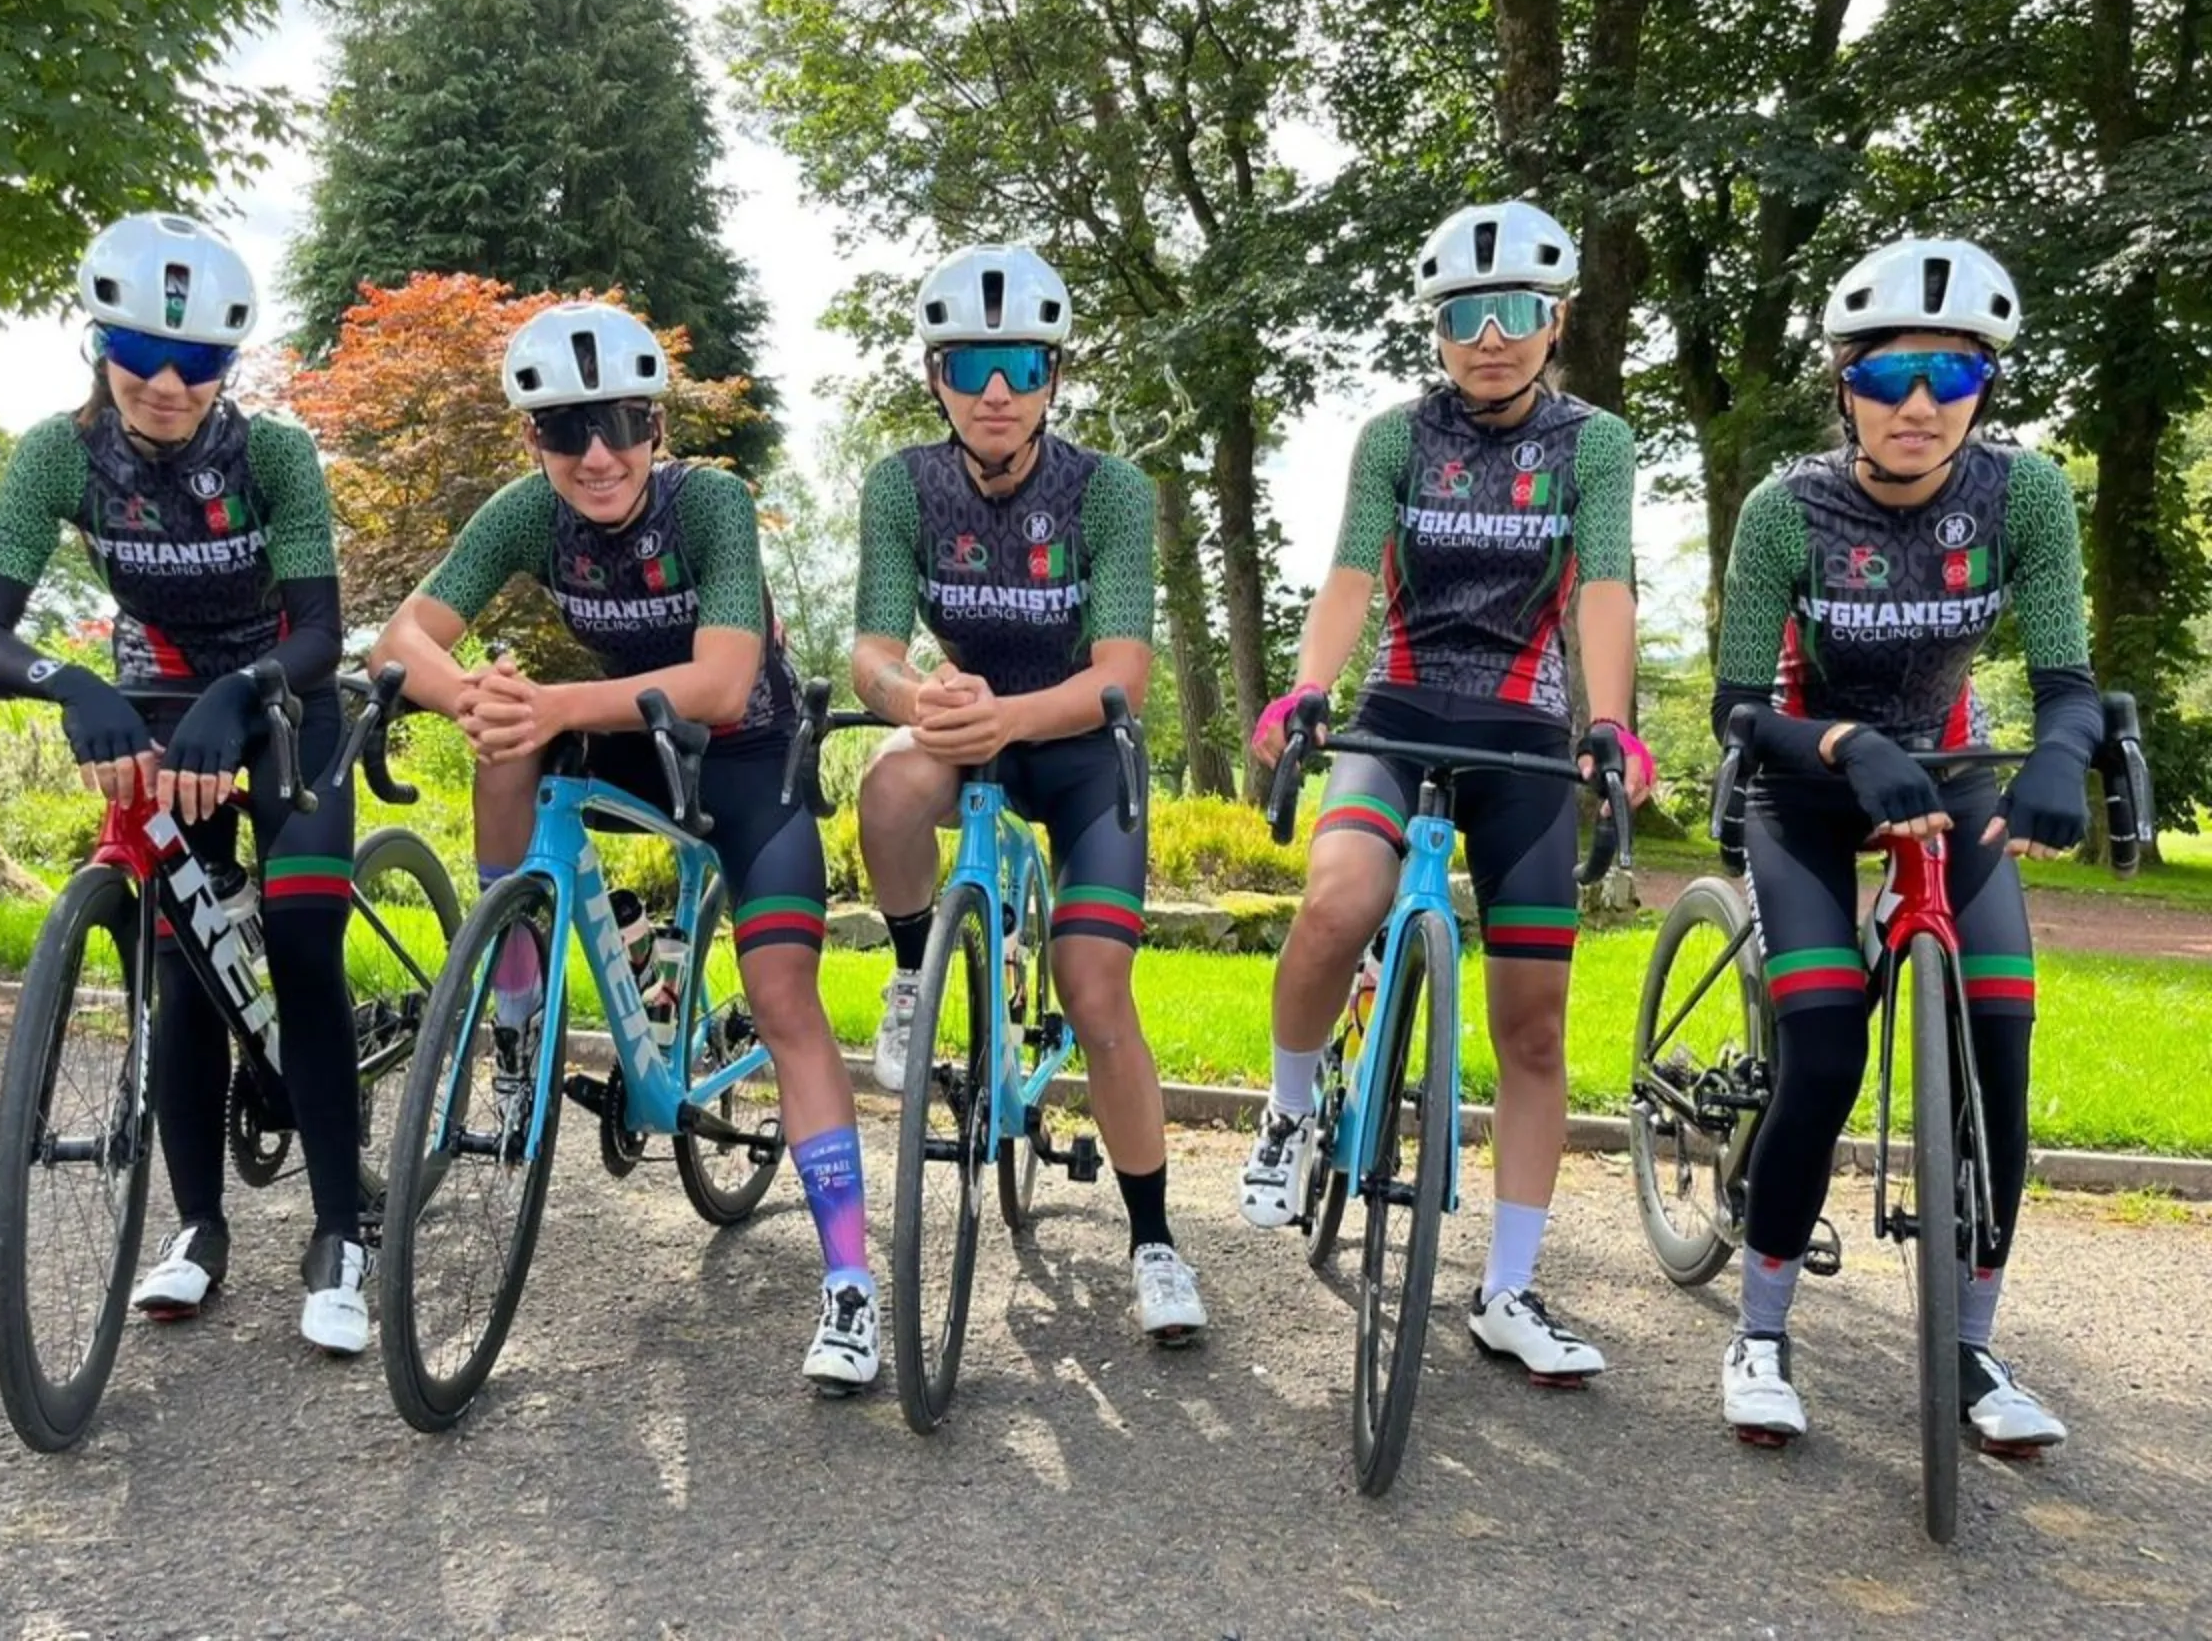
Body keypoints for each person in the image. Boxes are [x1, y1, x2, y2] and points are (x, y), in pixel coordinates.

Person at [371, 302, 878, 1392]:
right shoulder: (521, 514)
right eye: (565, 431)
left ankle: (849, 1283)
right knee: (503, 743)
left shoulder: (713, 504)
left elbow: (723, 681)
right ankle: (517, 1026)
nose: (596, 454)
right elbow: (402, 640)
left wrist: (550, 700)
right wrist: (481, 695)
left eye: (620, 424)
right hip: (625, 740)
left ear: (656, 425)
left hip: (746, 753)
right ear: (531, 441)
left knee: (784, 994)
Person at [1238, 200, 1648, 1383]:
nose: (1491, 337)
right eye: (1466, 316)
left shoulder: (1596, 444)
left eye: (1517, 312)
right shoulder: (1396, 437)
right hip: (1404, 714)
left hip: (1525, 731)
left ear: (1555, 318)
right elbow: (1353, 575)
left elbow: (1604, 588)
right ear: (1438, 328)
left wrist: (1608, 723)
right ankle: (1289, 1109)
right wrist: (1309, 690)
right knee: (1336, 899)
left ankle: (1510, 1289)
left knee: (1532, 1026)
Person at [0, 212, 369, 1353]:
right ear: (100, 349)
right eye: (139, 358)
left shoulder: (272, 455)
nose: (168, 385)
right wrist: (69, 682)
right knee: (180, 972)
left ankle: (341, 1231)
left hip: (283, 702)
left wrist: (248, 691)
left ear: (229, 368)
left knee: (299, 936)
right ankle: (197, 1229)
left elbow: (323, 631)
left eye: (198, 365)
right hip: (154, 698)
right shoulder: (60, 454)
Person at [1711, 238, 2094, 1450]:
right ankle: (1761, 1330)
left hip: (1949, 775)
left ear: (1986, 388)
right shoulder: (1787, 509)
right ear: (1845, 389)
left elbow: (2070, 683)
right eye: (1886, 379)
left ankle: (1974, 1349)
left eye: (1950, 376)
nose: (1918, 406)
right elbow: (1738, 708)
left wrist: (2058, 756)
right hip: (1806, 781)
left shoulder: (2024, 495)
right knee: (1822, 1059)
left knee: (2003, 1064)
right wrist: (1835, 745)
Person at [851, 244, 1206, 1343]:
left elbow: (1122, 678)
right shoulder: (900, 483)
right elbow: (868, 649)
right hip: (965, 726)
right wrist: (917, 700)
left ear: (1054, 374)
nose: (995, 389)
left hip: (1077, 748)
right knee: (887, 787)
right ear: (935, 379)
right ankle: (913, 973)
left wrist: (1008, 714)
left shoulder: (1108, 491)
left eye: (1019, 363)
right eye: (969, 365)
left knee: (1097, 996)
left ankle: (1154, 1241)